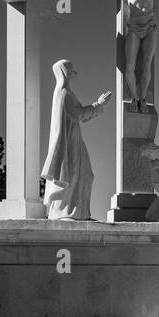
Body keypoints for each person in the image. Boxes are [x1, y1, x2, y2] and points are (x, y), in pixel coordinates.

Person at [40, 60, 111, 220]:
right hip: (68, 141)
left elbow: (80, 115)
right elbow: (79, 114)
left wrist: (97, 107)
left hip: (74, 138)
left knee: (85, 174)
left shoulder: (67, 92)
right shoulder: (63, 92)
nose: (75, 72)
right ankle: (64, 211)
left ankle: (79, 212)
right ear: (65, 71)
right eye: (72, 69)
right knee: (73, 174)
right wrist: (98, 104)